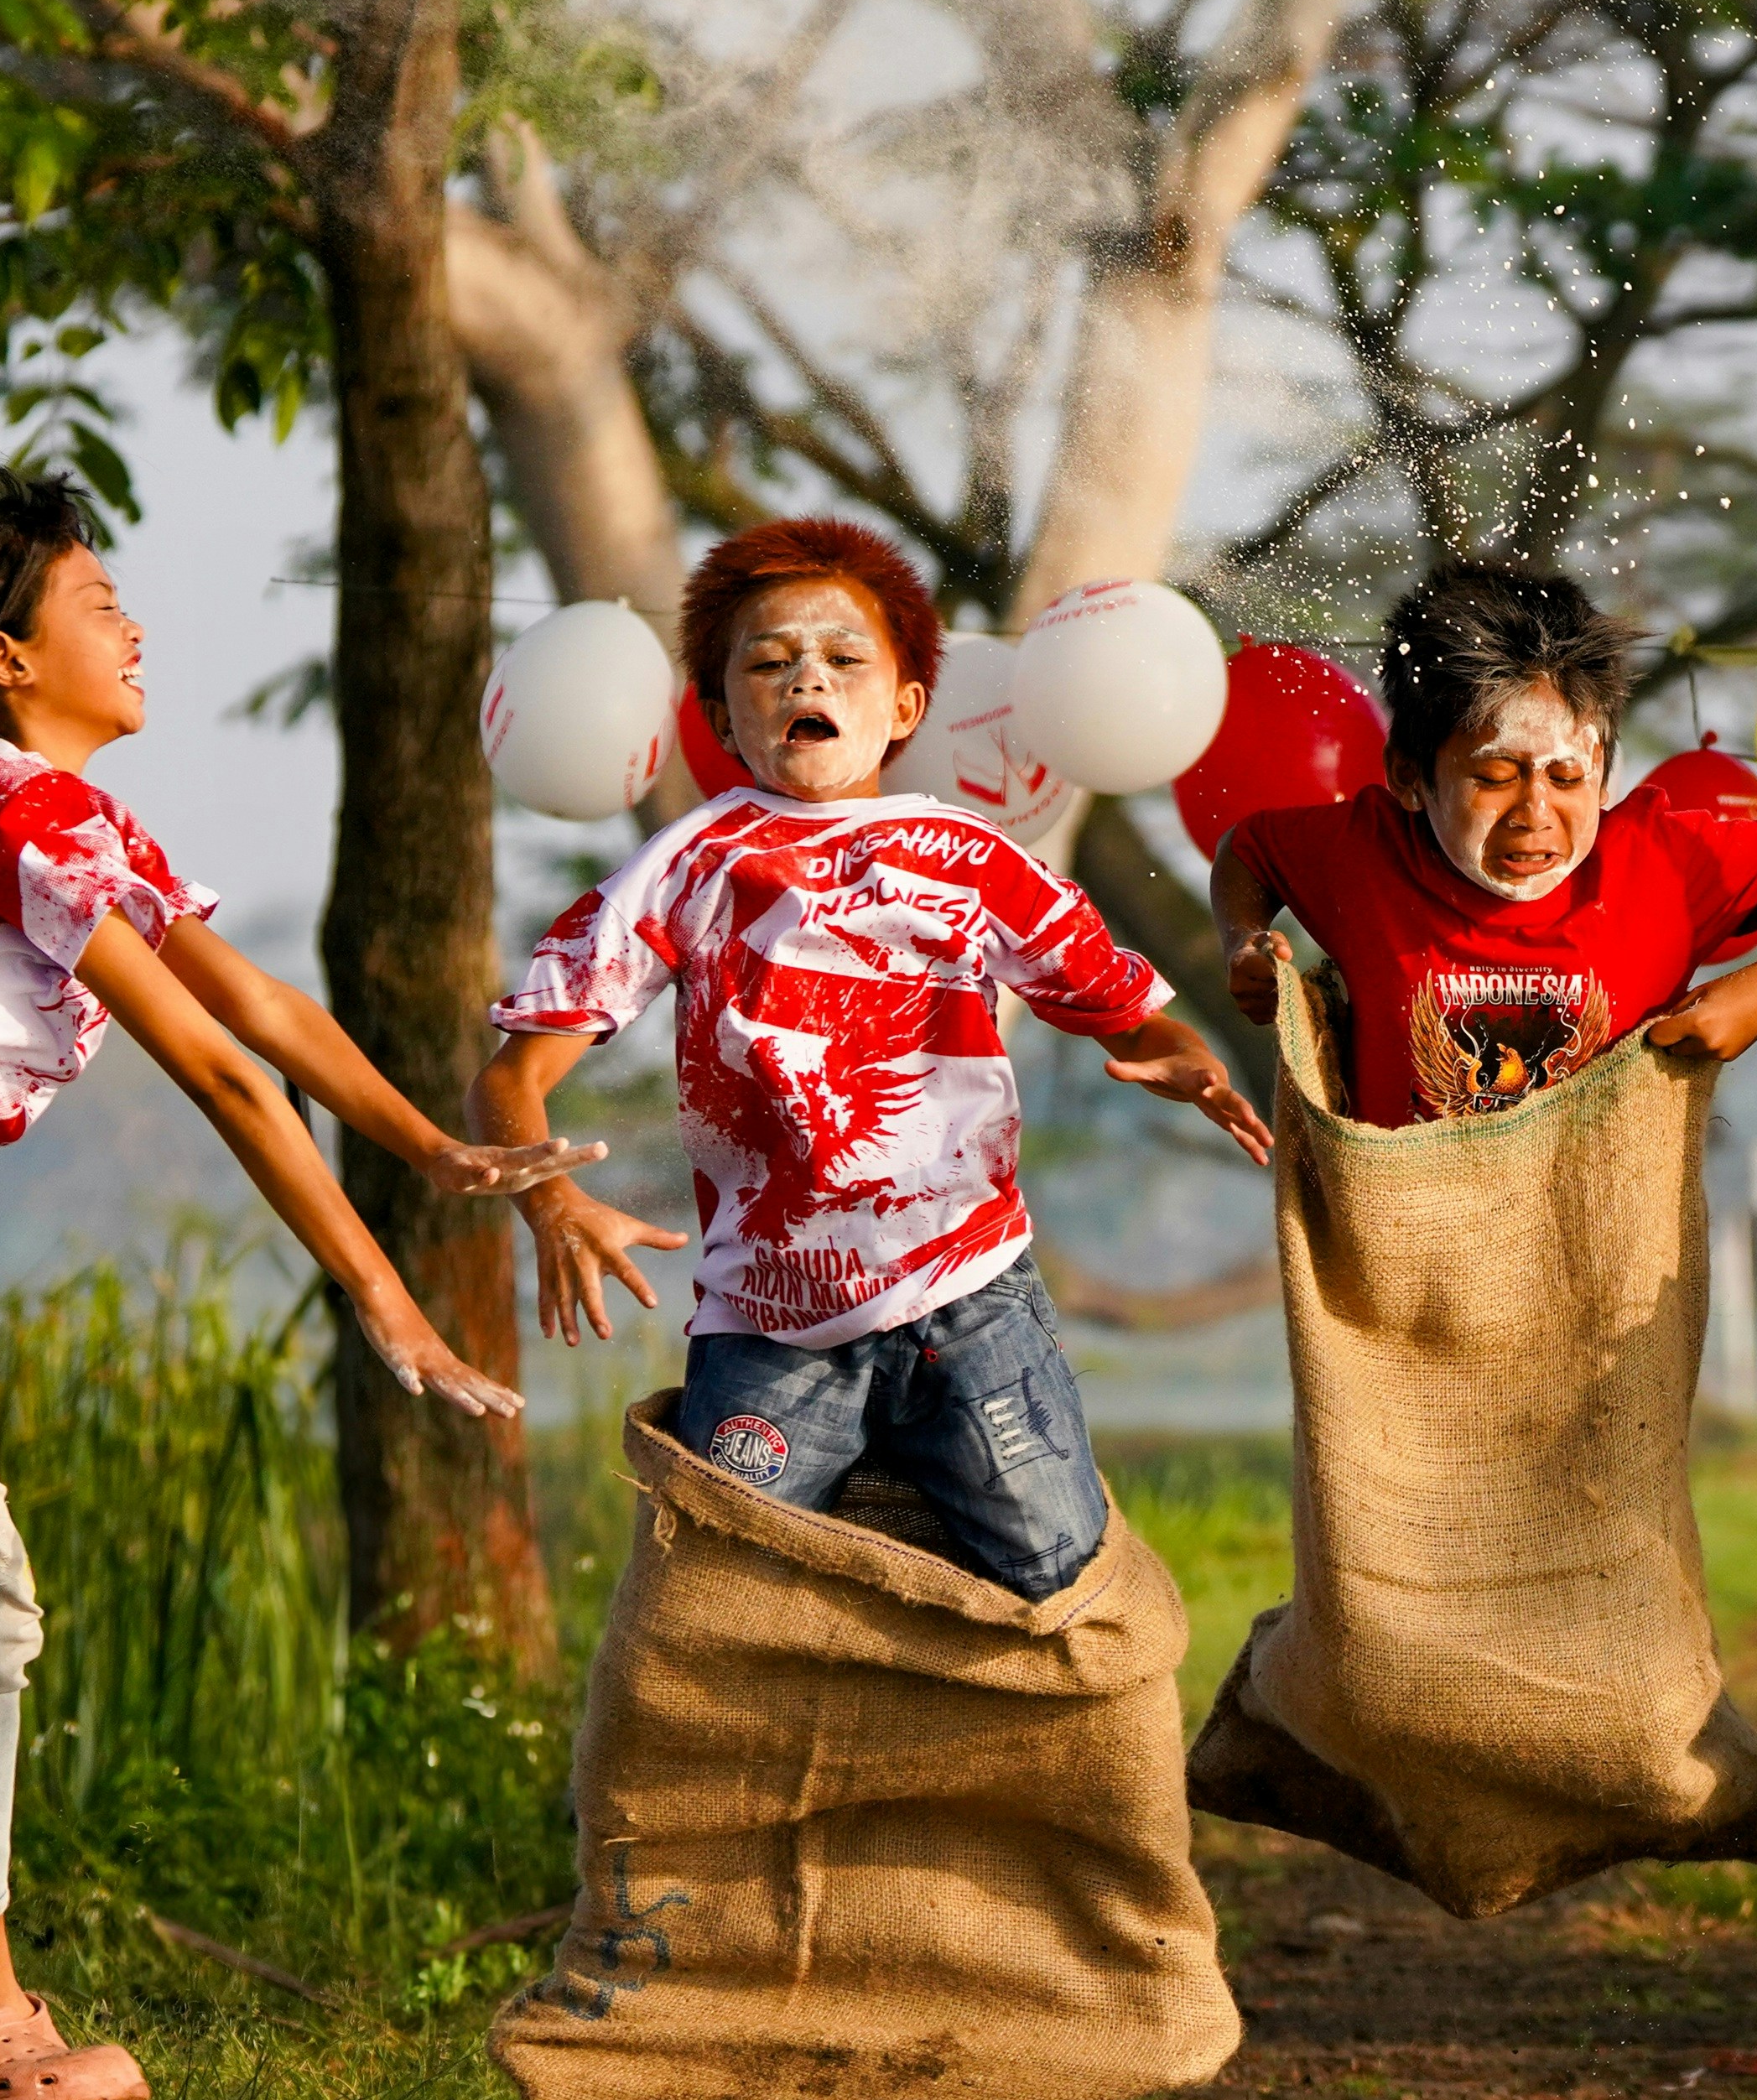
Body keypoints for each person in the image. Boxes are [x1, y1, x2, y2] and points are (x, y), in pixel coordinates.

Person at [0, 467, 583, 2100]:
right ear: (8, 652)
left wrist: (435, 1145)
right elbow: (226, 1074)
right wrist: (386, 1299)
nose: (136, 621)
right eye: (101, 601)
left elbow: (257, 998)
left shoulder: (49, 810)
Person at [479, 517, 1267, 1599]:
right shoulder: (688, 866)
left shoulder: (974, 859)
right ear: (721, 713)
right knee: (719, 1603)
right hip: (765, 1321)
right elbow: (514, 1076)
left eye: (845, 659)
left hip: (974, 1290)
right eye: (767, 662)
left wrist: (1187, 1062)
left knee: (1057, 1581)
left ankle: (1044, 1766)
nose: (808, 674)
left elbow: (1134, 1019)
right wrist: (551, 1204)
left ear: (903, 707)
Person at [1206, 561, 1757, 1124]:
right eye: (1494, 777)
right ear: (1408, 775)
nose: (1534, 812)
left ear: (1601, 771)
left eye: (1566, 777)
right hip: (1411, 1234)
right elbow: (1249, 850)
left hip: (1602, 1241)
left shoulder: (1657, 861)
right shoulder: (1364, 852)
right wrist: (1243, 942)